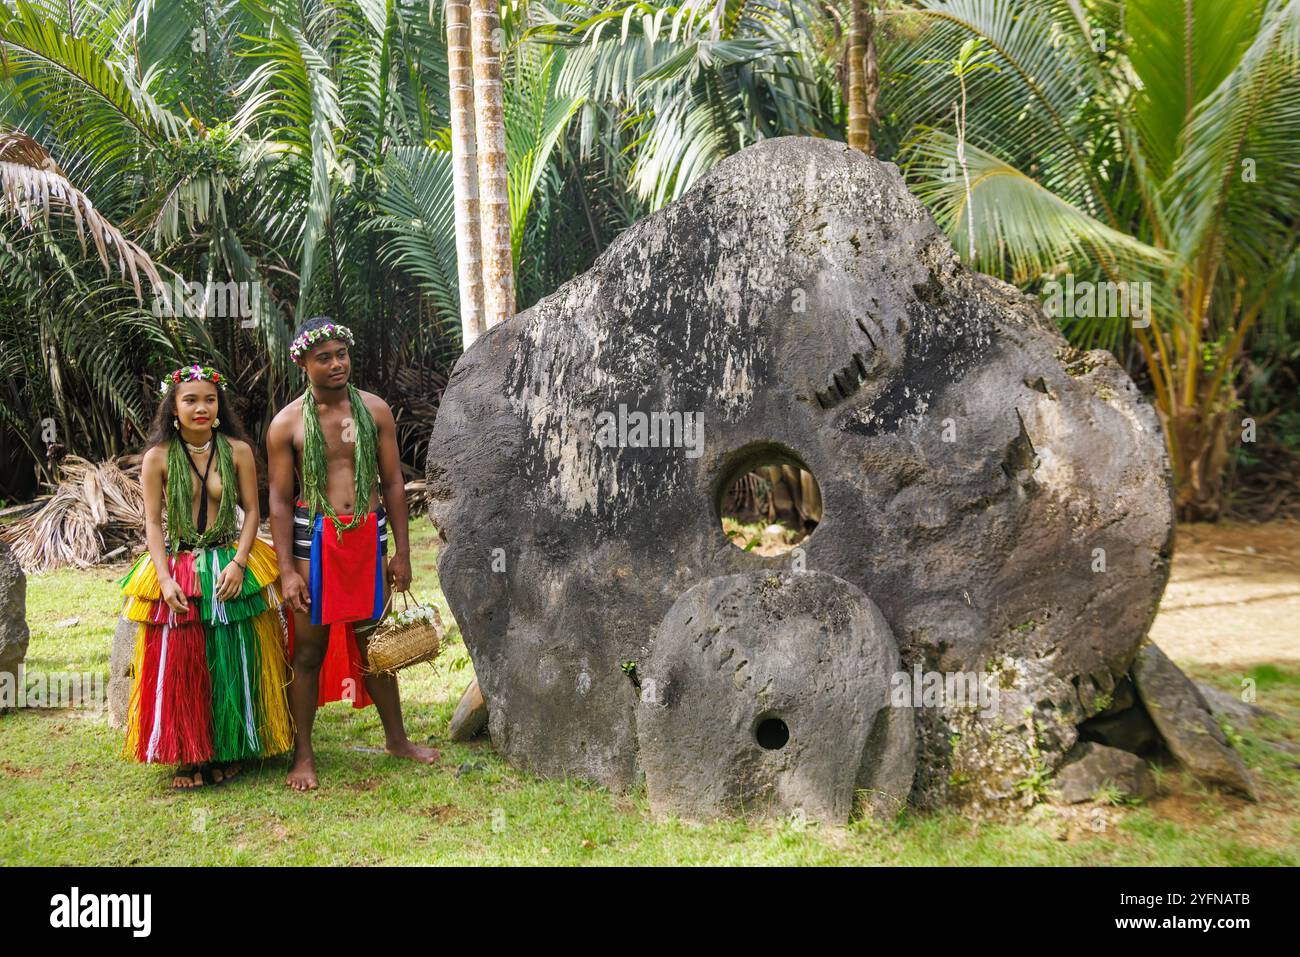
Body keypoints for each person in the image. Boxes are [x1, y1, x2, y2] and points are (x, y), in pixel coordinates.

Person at [267, 318, 439, 791]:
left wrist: (402, 552)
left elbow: (392, 484)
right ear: (302, 362)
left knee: (375, 644)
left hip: (367, 536)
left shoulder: (374, 410)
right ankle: (303, 754)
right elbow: (280, 501)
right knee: (308, 649)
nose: (337, 363)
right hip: (312, 540)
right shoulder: (286, 424)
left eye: (342, 353)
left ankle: (397, 739)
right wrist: (287, 571)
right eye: (324, 357)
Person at [119, 364, 294, 789]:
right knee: (183, 658)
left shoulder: (236, 450)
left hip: (228, 561)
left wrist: (238, 562)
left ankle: (226, 747)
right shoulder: (157, 457)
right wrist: (163, 579)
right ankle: (187, 754)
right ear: (173, 408)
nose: (201, 407)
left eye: (209, 399)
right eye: (190, 400)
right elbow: (154, 523)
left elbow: (253, 511)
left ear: (219, 407)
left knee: (232, 653)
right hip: (178, 565)